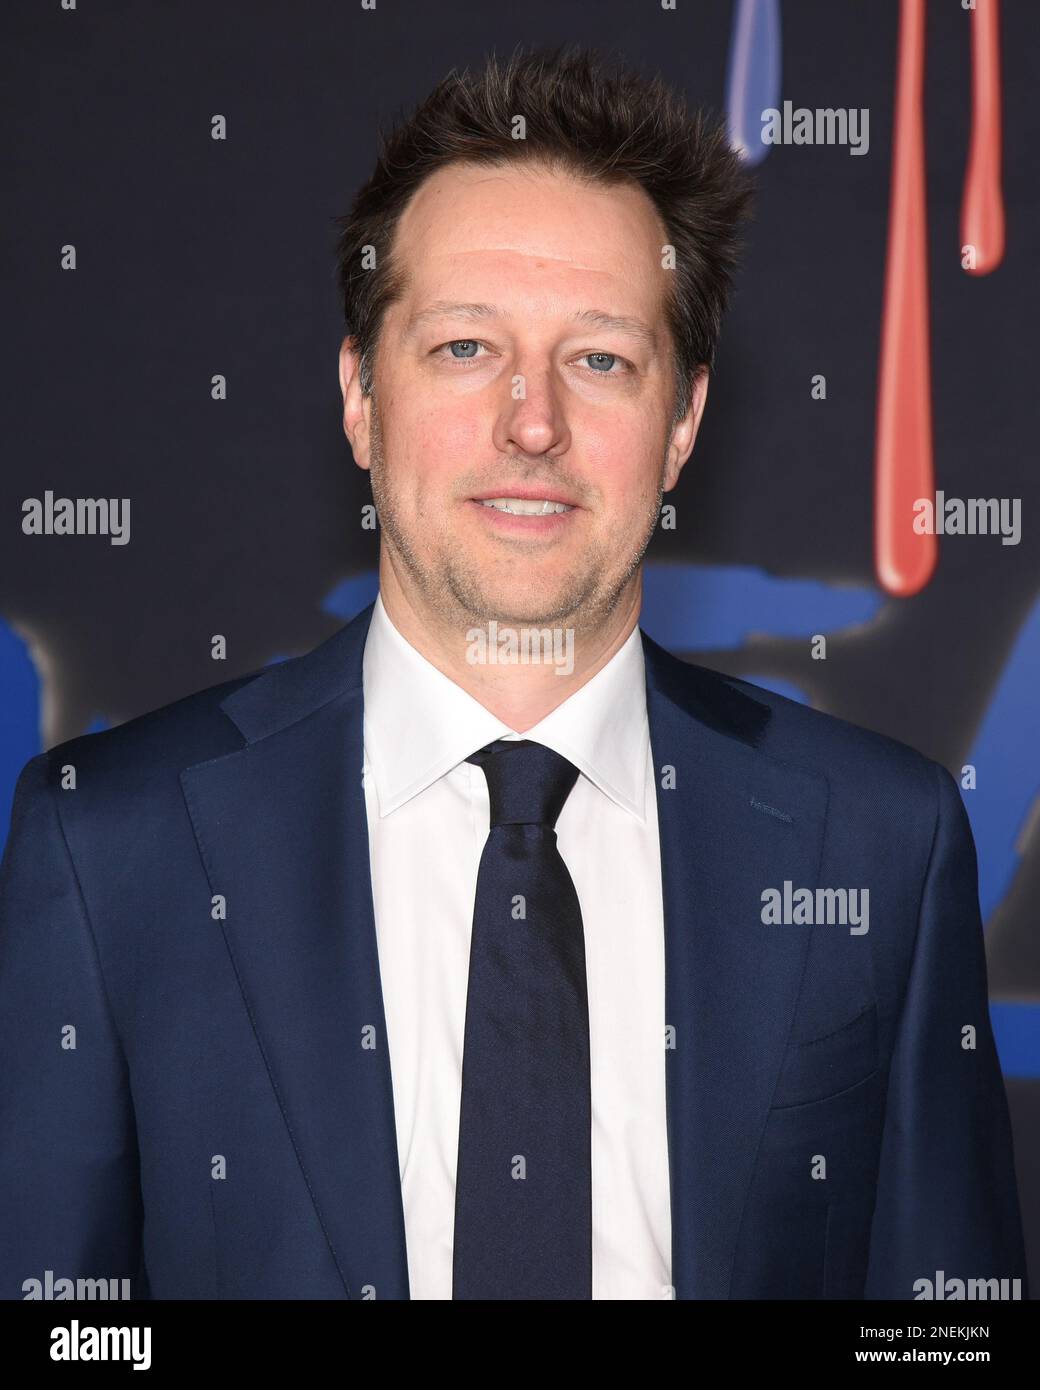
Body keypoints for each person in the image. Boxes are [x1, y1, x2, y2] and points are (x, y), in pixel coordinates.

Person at [0, 45, 1027, 1301]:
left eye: (599, 358)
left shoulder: (874, 844)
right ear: (360, 398)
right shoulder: (112, 847)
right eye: (464, 348)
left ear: (683, 424)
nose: (530, 422)